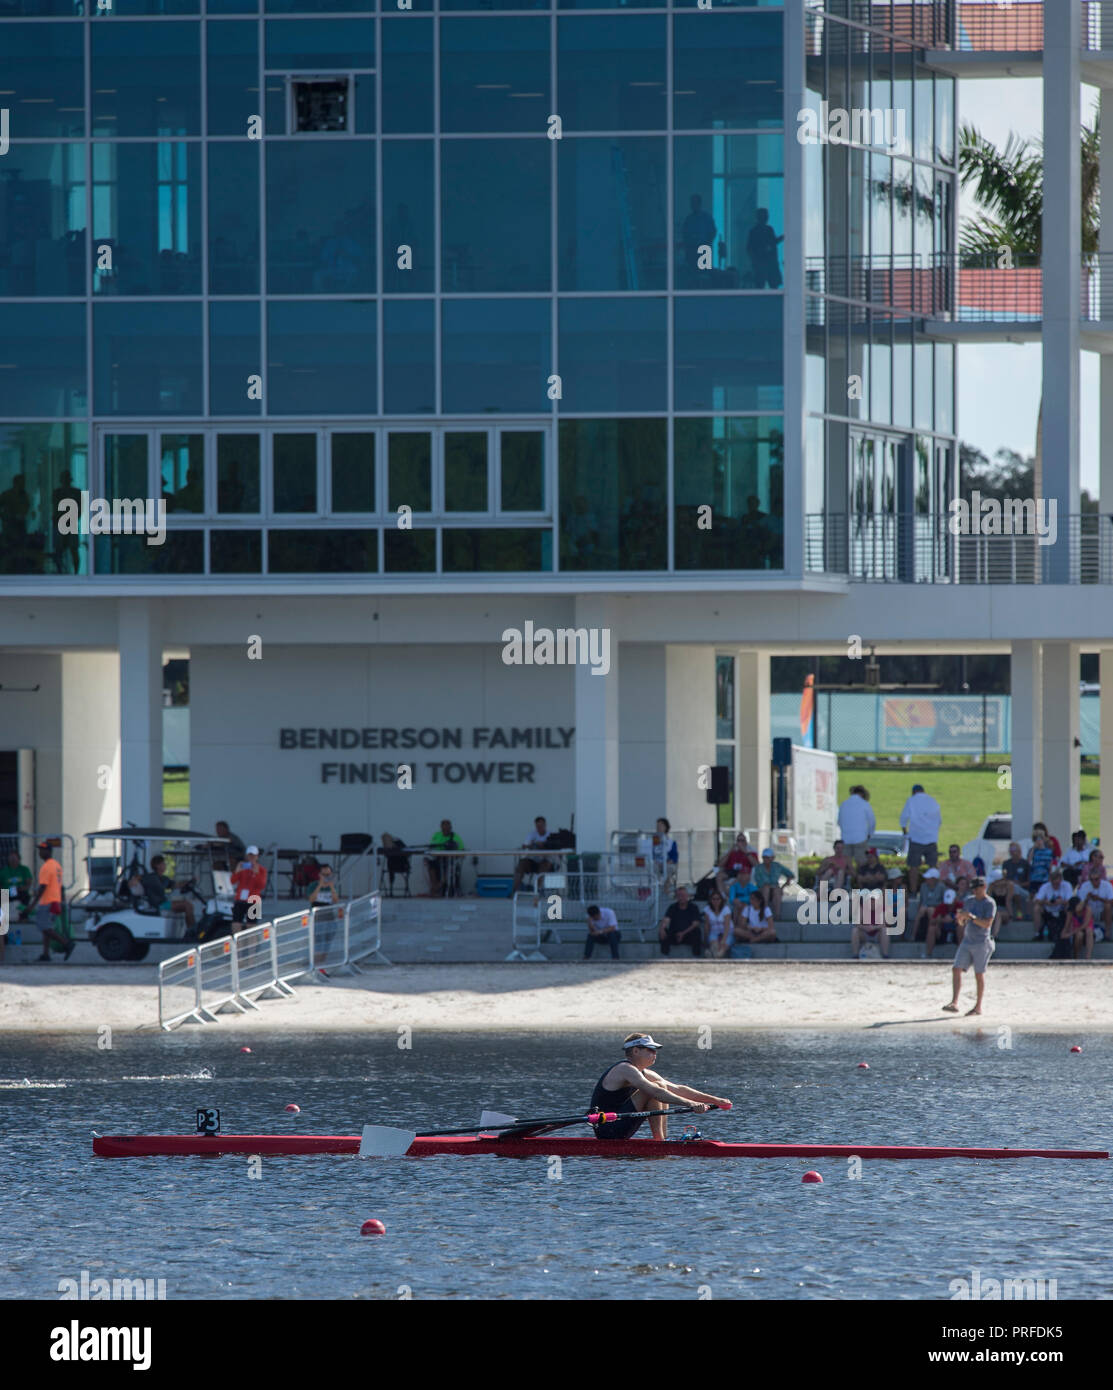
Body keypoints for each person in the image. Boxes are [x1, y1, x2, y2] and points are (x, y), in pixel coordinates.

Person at [588, 1034, 731, 1141]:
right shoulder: (624, 1069)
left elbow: (677, 1089)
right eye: (650, 1050)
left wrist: (716, 1100)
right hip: (607, 1130)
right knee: (655, 1089)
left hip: (619, 1125)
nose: (655, 1053)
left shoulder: (643, 1073)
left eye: (655, 1050)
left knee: (661, 1086)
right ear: (636, 1051)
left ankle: (661, 1140)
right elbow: (656, 1092)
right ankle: (659, 1142)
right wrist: (691, 1105)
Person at [943, 878, 998, 1016]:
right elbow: (962, 923)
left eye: (977, 888)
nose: (975, 891)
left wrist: (971, 917)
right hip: (967, 941)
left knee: (979, 974)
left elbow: (987, 924)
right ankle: (954, 1002)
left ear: (984, 887)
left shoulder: (990, 903)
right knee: (956, 969)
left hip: (982, 942)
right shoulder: (969, 900)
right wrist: (961, 918)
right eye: (973, 889)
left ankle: (978, 1007)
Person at [129, 853, 196, 930]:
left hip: (164, 902)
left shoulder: (164, 878)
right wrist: (134, 880)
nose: (165, 865)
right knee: (187, 905)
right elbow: (137, 879)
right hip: (158, 905)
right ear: (157, 865)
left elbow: (176, 884)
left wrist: (189, 882)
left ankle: (191, 930)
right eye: (163, 863)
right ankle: (192, 931)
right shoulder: (151, 878)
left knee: (188, 905)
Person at [30, 841, 72, 961]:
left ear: (49, 851)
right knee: (46, 928)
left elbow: (42, 887)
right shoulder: (56, 865)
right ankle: (46, 954)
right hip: (55, 900)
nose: (40, 852)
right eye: (40, 850)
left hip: (47, 901)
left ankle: (66, 943)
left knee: (44, 927)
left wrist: (32, 905)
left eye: (43, 850)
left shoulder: (47, 866)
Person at [899, 783, 942, 893]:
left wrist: (905, 833)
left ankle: (913, 892)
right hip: (931, 839)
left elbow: (903, 818)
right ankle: (935, 890)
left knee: (914, 867)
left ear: (913, 792)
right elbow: (939, 821)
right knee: (933, 866)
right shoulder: (933, 801)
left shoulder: (911, 800)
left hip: (916, 839)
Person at [989, 842, 1030, 926]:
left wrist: (1019, 884)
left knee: (1014, 887)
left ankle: (1016, 912)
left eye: (1014, 849)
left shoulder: (1025, 864)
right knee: (1008, 886)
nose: (1012, 851)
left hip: (1023, 889)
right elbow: (1005, 878)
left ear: (1019, 851)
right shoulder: (1006, 864)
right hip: (1009, 888)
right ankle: (1012, 913)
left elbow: (1029, 882)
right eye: (1010, 850)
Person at [310, 863, 342, 969]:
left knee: (327, 942)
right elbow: (311, 899)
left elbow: (336, 900)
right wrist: (320, 884)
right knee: (318, 942)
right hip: (318, 917)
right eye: (324, 875)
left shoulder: (332, 886)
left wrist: (331, 887)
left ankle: (321, 965)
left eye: (328, 875)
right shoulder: (313, 885)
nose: (326, 877)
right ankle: (316, 965)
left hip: (329, 916)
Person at [924, 881, 966, 960]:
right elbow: (932, 921)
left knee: (961, 928)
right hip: (942, 932)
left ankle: (962, 955)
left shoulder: (961, 906)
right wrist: (941, 920)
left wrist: (953, 920)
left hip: (956, 933)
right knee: (931, 928)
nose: (949, 905)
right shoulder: (941, 907)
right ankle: (928, 954)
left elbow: (964, 921)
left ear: (955, 899)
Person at [658, 885, 704, 957]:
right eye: (679, 895)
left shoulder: (693, 907)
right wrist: (662, 928)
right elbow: (666, 920)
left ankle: (696, 956)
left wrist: (683, 933)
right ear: (676, 897)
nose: (681, 897)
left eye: (683, 895)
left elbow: (696, 924)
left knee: (697, 932)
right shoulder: (672, 907)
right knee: (663, 931)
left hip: (688, 934)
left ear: (687, 896)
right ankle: (664, 956)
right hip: (675, 934)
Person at [512, 816, 555, 893]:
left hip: (545, 861)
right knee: (521, 864)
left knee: (544, 866)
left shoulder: (550, 835)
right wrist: (532, 845)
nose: (539, 828)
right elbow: (524, 845)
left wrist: (544, 845)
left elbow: (555, 847)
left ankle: (537, 891)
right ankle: (514, 891)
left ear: (545, 825)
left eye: (541, 826)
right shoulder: (532, 834)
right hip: (533, 861)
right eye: (537, 826)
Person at [837, 785, 875, 869]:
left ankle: (846, 881)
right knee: (862, 865)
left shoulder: (844, 804)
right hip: (860, 838)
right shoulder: (865, 804)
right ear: (862, 794)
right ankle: (859, 881)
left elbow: (839, 822)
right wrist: (870, 834)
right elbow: (872, 822)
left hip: (845, 839)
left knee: (845, 865)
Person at [230, 845, 267, 929]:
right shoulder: (243, 868)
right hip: (240, 899)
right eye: (249, 855)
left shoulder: (261, 870)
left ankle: (252, 942)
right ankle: (237, 941)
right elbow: (232, 881)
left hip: (254, 899)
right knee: (236, 923)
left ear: (257, 857)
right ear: (246, 856)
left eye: (253, 856)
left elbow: (261, 885)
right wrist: (237, 871)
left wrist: (256, 874)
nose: (251, 858)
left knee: (251, 925)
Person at [682, 194, 717, 281]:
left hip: (704, 249)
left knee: (704, 275)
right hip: (692, 250)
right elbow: (684, 234)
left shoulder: (707, 218)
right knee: (692, 275)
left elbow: (713, 232)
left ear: (699, 204)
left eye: (694, 203)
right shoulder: (688, 219)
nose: (692, 205)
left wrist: (706, 244)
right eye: (691, 203)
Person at [425, 818, 464, 897]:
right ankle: (435, 886)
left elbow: (462, 851)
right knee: (430, 865)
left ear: (450, 828)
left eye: (447, 828)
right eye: (444, 828)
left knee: (448, 868)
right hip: (438, 859)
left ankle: (438, 887)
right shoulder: (437, 835)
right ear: (441, 828)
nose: (445, 829)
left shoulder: (455, 837)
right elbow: (432, 848)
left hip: (451, 860)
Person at [746, 208, 784, 288]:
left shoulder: (767, 229)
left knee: (772, 286)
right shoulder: (754, 231)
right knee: (761, 286)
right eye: (764, 216)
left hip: (769, 263)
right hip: (762, 264)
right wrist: (755, 260)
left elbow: (773, 242)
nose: (766, 218)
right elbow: (750, 248)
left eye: (766, 216)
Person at [751, 847, 794, 917]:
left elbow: (790, 875)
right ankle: (764, 913)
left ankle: (777, 915)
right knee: (766, 889)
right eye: (764, 857)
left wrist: (783, 887)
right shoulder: (758, 868)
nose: (766, 859)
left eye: (768, 857)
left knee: (777, 890)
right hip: (762, 890)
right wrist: (771, 886)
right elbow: (759, 883)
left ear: (772, 858)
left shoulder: (777, 866)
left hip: (774, 890)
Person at [1032, 866, 1070, 943]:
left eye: (1057, 883)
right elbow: (1037, 900)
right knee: (1036, 908)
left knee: (1069, 907)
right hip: (1047, 910)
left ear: (1061, 880)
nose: (1056, 885)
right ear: (1050, 880)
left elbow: (1071, 900)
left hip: (1061, 909)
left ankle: (1067, 931)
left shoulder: (1066, 885)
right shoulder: (1045, 886)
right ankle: (1037, 933)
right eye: (1054, 883)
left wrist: (1061, 901)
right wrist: (1046, 902)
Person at [715, 832, 758, 899]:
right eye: (738, 840)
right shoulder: (731, 851)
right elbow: (720, 865)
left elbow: (756, 864)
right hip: (731, 871)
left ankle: (729, 894)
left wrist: (745, 851)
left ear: (746, 842)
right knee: (719, 876)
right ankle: (722, 896)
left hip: (744, 872)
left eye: (742, 840)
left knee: (739, 877)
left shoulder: (751, 851)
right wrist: (730, 852)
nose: (740, 842)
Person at [1077, 863, 1113, 938]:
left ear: (1100, 878)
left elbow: (1111, 901)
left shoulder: (1107, 885)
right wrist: (1087, 898)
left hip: (1103, 911)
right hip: (1090, 912)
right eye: (1091, 879)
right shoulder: (1085, 886)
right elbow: (1080, 904)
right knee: (1084, 906)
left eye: (1096, 879)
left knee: (1108, 906)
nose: (1094, 882)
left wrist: (1099, 899)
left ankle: (1108, 932)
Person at [912, 867, 945, 942]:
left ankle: (932, 935)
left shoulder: (942, 887)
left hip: (936, 908)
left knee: (931, 911)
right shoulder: (923, 886)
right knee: (921, 911)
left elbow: (943, 902)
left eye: (929, 878)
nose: (926, 879)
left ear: (934, 879)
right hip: (925, 907)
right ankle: (913, 935)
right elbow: (922, 900)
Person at [1057, 896, 1094, 962]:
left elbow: (1086, 924)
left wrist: (1070, 934)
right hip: (1076, 931)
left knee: (1089, 931)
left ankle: (1088, 957)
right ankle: (1076, 956)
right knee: (1079, 935)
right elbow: (1067, 925)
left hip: (1086, 930)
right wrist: (1063, 933)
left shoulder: (1088, 909)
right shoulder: (1070, 912)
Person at [702, 889, 733, 958]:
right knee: (714, 945)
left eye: (718, 899)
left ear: (721, 900)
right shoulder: (707, 909)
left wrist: (723, 940)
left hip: (726, 932)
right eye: (713, 899)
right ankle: (714, 954)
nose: (716, 901)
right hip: (714, 932)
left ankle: (715, 955)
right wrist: (705, 938)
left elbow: (727, 926)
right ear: (711, 900)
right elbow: (707, 925)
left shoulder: (726, 909)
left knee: (723, 947)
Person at [0, 849, 33, 915]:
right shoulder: (3, 871)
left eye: (14, 858)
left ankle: (24, 916)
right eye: (11, 858)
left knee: (26, 896)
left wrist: (21, 888)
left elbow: (28, 883)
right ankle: (3, 920)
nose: (13, 860)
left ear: (19, 859)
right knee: (2, 896)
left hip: (20, 891)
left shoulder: (24, 869)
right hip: (6, 892)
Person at [652, 817, 679, 888]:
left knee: (668, 868)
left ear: (665, 827)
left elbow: (674, 857)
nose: (658, 828)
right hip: (657, 864)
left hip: (667, 864)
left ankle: (666, 887)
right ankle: (655, 888)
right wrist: (656, 862)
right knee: (652, 868)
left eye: (660, 826)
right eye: (657, 826)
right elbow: (651, 855)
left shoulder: (671, 842)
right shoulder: (654, 842)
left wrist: (664, 863)